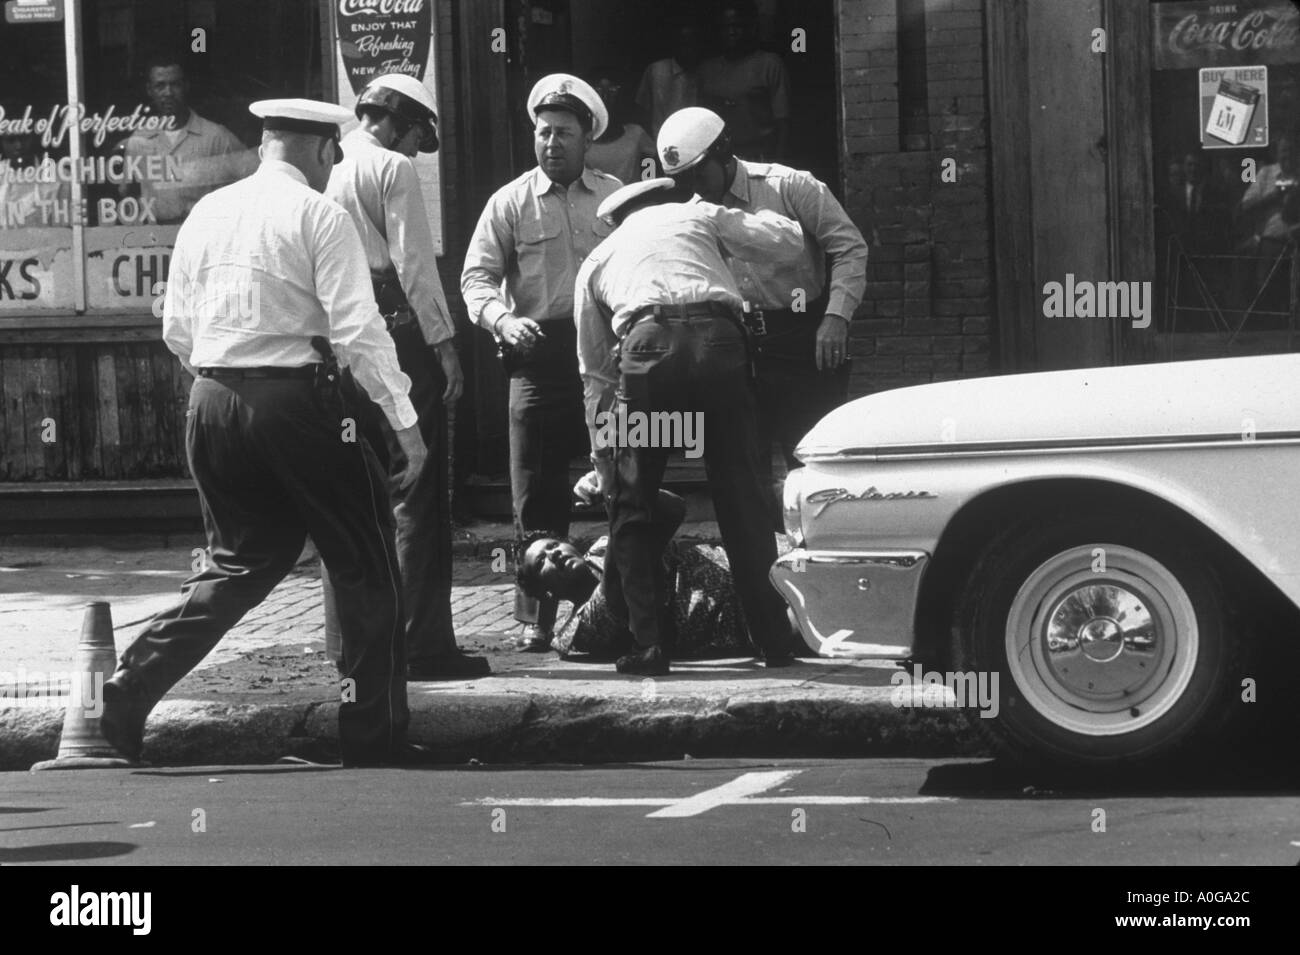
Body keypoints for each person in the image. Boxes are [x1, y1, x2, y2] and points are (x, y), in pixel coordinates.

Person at [99, 99, 434, 768]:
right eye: (330, 154)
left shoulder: (207, 213)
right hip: (297, 404)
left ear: (263, 144)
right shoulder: (320, 215)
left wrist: (226, 376)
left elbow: (176, 328)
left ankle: (130, 687)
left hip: (212, 398)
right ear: (318, 151)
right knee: (364, 565)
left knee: (239, 563)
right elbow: (357, 331)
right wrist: (404, 420)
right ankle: (373, 736)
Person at [574, 176, 806, 675]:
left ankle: (648, 646)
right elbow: (788, 241)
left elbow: (593, 373)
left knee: (634, 504)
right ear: (664, 200)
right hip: (719, 347)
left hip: (649, 355)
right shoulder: (696, 215)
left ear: (615, 221)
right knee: (741, 494)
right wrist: (718, 214)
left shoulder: (599, 258)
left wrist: (604, 459)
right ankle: (772, 639)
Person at [321, 72, 487, 681]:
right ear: (398, 121)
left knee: (350, 491)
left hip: (340, 335)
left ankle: (350, 644)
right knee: (415, 488)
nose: (418, 149)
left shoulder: (330, 166)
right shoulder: (393, 168)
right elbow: (415, 264)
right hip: (395, 330)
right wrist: (445, 347)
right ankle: (422, 645)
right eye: (418, 134)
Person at [461, 73, 622, 652]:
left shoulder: (616, 197)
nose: (552, 143)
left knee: (619, 477)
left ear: (587, 140)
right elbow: (476, 278)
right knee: (534, 489)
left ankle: (623, 603)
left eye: (564, 133)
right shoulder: (508, 202)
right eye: (544, 132)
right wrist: (502, 321)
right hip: (536, 357)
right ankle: (535, 618)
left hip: (605, 354)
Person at [657, 107, 868, 527]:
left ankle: (820, 559)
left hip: (802, 336)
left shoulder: (791, 185)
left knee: (812, 462)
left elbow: (849, 247)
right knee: (743, 464)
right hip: (738, 345)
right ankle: (760, 571)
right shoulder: (695, 214)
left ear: (724, 154)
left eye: (700, 175)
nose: (695, 188)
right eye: (686, 181)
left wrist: (836, 318)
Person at [516, 490, 761, 660]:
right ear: (546, 593)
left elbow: (673, 507)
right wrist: (616, 492)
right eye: (541, 562)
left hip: (750, 560)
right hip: (743, 616)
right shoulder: (579, 630)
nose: (554, 554)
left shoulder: (602, 546)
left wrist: (618, 490)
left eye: (553, 546)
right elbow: (623, 567)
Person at [118, 54, 252, 224]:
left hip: (203, 235)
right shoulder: (139, 140)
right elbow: (126, 193)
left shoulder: (216, 137)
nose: (168, 92)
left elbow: (251, 182)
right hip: (155, 241)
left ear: (186, 86)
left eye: (175, 85)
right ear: (149, 90)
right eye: (160, 86)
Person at [697, 0, 790, 161]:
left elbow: (783, 122)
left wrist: (778, 163)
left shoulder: (769, 64)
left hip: (760, 157)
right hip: (721, 160)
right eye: (725, 27)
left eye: (737, 26)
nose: (731, 32)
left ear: (751, 28)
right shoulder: (707, 70)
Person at [635, 16, 704, 137]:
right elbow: (642, 109)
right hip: (657, 142)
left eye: (691, 43)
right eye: (683, 42)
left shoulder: (701, 74)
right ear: (675, 44)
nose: (687, 48)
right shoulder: (656, 70)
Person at [585, 74, 657, 185]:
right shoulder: (581, 138)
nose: (605, 96)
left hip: (632, 200)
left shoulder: (636, 134)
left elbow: (650, 162)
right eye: (598, 89)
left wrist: (648, 188)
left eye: (612, 90)